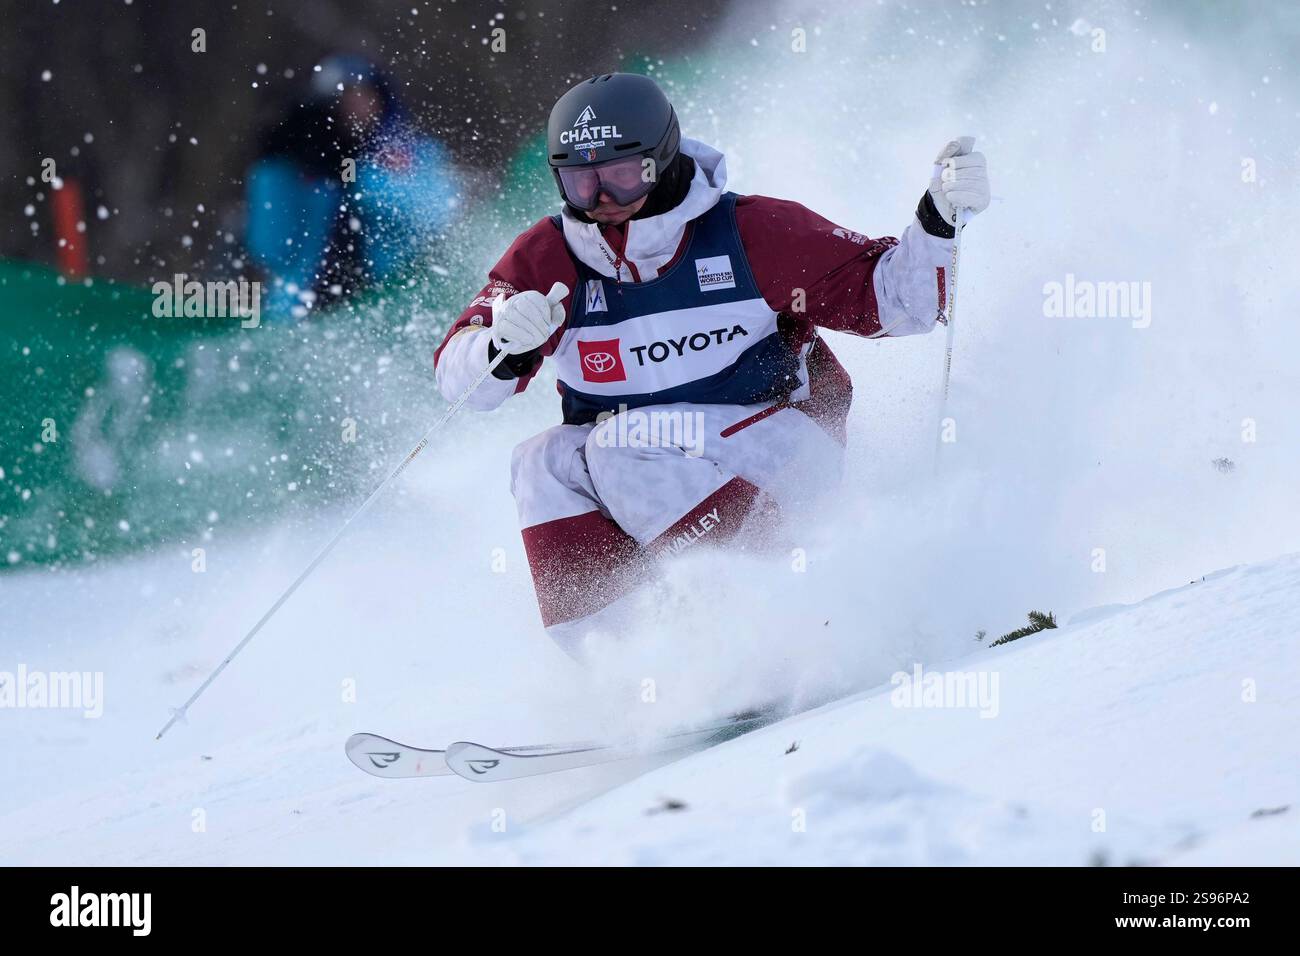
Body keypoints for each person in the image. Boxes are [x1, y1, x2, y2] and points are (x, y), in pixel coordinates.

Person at [433, 72, 989, 657]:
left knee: (618, 445)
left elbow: (905, 303)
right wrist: (501, 345)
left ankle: (756, 624)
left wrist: (938, 220)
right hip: (655, 468)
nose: (602, 202)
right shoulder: (549, 259)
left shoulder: (751, 233)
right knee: (539, 464)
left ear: (661, 159)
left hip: (787, 450)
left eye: (621, 176)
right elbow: (461, 384)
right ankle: (629, 671)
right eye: (579, 182)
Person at [245, 55, 460, 319]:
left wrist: (361, 176)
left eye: (365, 96)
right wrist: (277, 173)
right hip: (299, 316)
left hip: (389, 309)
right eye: (343, 99)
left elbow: (438, 216)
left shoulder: (412, 155)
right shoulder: (294, 169)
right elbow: (270, 250)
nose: (356, 108)